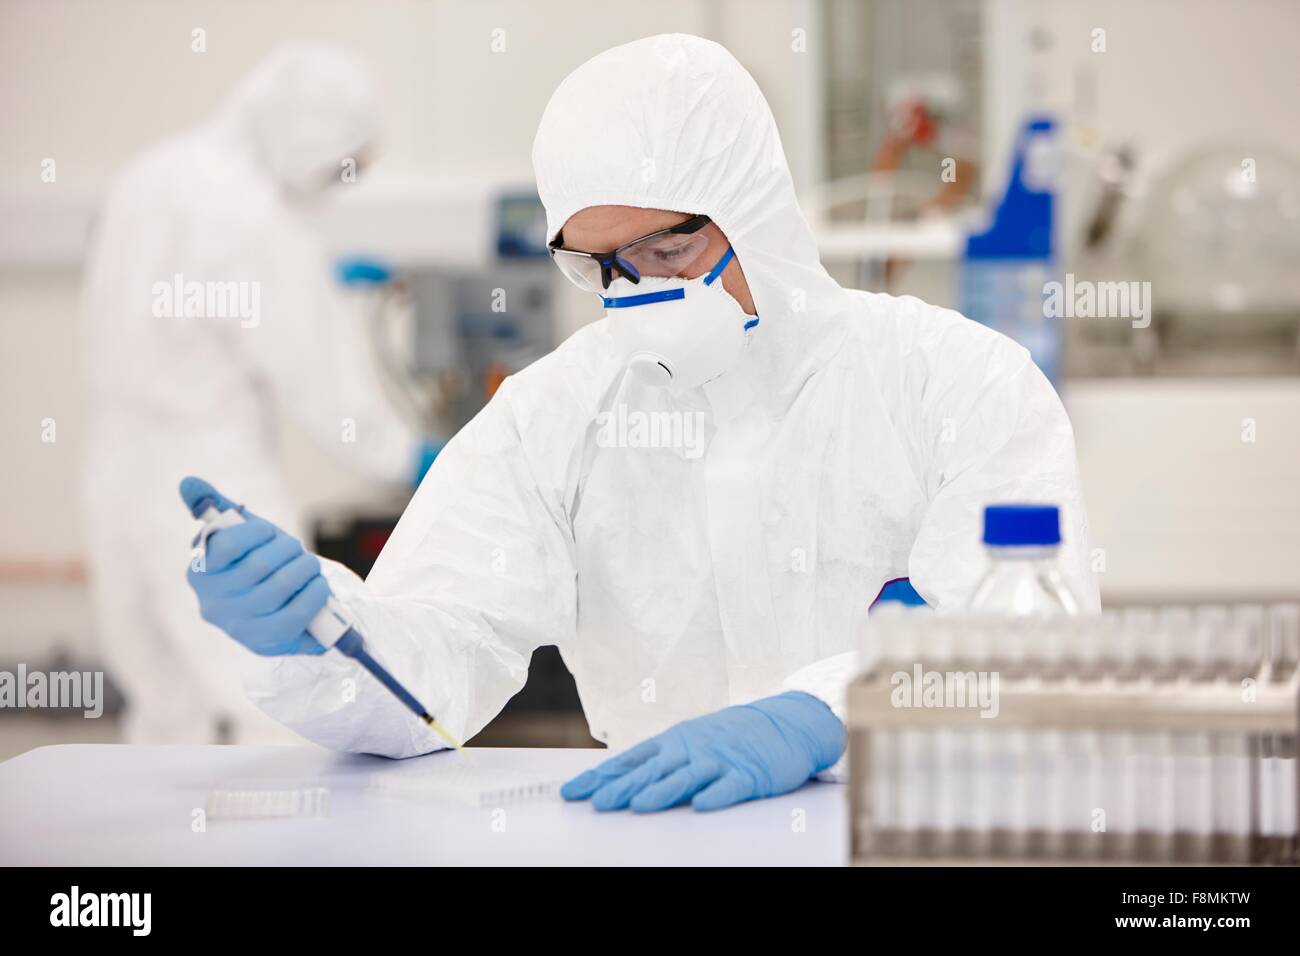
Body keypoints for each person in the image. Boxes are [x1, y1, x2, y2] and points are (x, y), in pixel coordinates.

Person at [182, 34, 1099, 809]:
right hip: (657, 829)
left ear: (757, 214)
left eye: (671, 246)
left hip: (906, 829)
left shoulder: (952, 384)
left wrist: (826, 713)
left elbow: (1022, 645)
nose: (643, 289)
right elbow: (436, 664)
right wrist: (322, 635)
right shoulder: (558, 414)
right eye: (603, 266)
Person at [81, 43, 425, 745]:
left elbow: (184, 308)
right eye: (338, 164)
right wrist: (412, 459)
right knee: (284, 696)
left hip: (111, 469)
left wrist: (317, 284)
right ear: (312, 138)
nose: (332, 182)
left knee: (164, 704)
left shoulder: (154, 174)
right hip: (208, 478)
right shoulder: (254, 218)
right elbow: (327, 389)